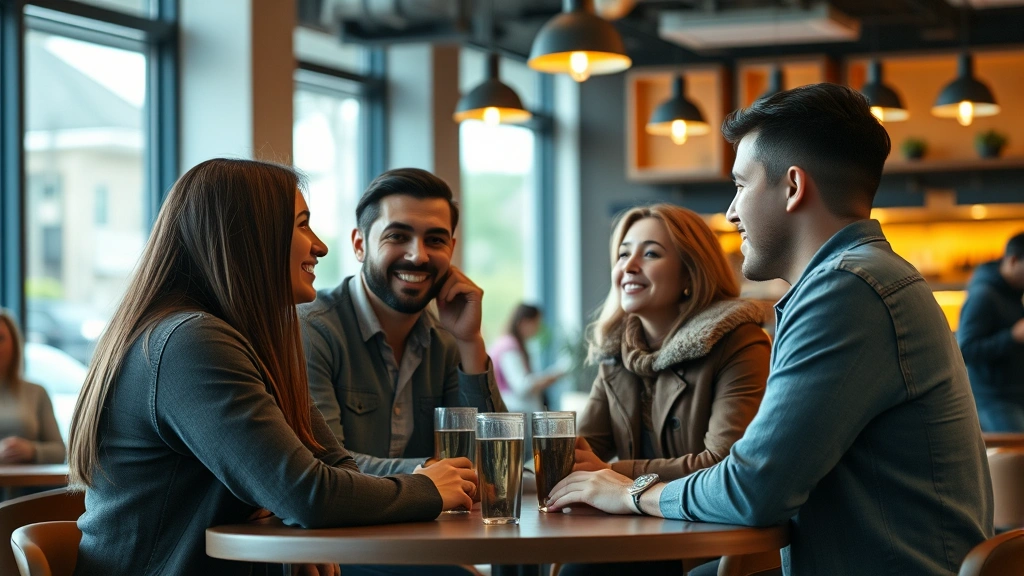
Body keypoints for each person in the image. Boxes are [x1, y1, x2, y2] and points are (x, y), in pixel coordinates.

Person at [545, 84, 992, 576]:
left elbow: (752, 489)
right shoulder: (863, 278)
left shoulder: (845, 291)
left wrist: (630, 491)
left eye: (741, 185)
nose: (731, 211)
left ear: (793, 187)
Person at [69, 159, 476, 576]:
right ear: (248, 238)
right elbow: (311, 494)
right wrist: (426, 488)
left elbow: (332, 474)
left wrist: (292, 511)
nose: (320, 246)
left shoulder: (245, 344)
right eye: (302, 226)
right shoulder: (191, 342)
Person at [559, 204, 770, 576]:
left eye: (650, 254)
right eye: (623, 254)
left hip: (711, 542)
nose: (629, 265)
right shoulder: (617, 353)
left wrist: (612, 475)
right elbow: (581, 452)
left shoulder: (739, 342)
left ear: (690, 272)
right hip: (637, 535)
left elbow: (723, 465)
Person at [300, 168, 506, 478]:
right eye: (397, 236)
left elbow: (494, 461)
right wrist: (427, 472)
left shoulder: (448, 340)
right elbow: (324, 465)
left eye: (435, 240)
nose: (418, 256)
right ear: (359, 245)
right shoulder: (313, 329)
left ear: (451, 248)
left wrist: (469, 341)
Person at [957, 232, 1024, 432]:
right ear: (1013, 260)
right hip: (995, 401)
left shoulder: (1013, 293)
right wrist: (1012, 337)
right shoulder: (983, 295)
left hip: (1014, 395)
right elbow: (965, 350)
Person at [0, 311, 65, 465]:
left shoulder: (36, 392)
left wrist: (33, 451)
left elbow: (60, 452)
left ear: (15, 344)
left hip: (28, 479)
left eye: (0, 338)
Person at [489, 304, 566, 414]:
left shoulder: (511, 344)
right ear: (524, 322)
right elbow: (521, 386)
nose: (539, 327)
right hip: (515, 412)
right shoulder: (508, 347)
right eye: (536, 322)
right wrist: (551, 376)